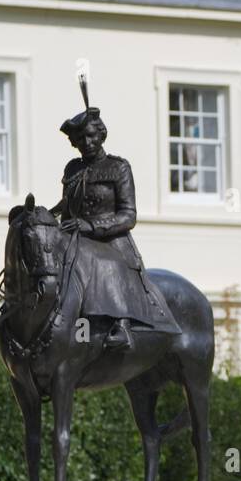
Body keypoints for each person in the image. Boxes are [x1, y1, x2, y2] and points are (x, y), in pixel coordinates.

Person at [53, 102, 178, 351]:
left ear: (101, 135)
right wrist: (46, 215)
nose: (85, 142)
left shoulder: (118, 167)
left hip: (111, 239)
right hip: (76, 237)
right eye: (79, 138)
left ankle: (121, 327)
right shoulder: (73, 169)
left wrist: (90, 225)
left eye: (89, 136)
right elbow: (66, 205)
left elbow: (128, 216)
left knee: (110, 267)